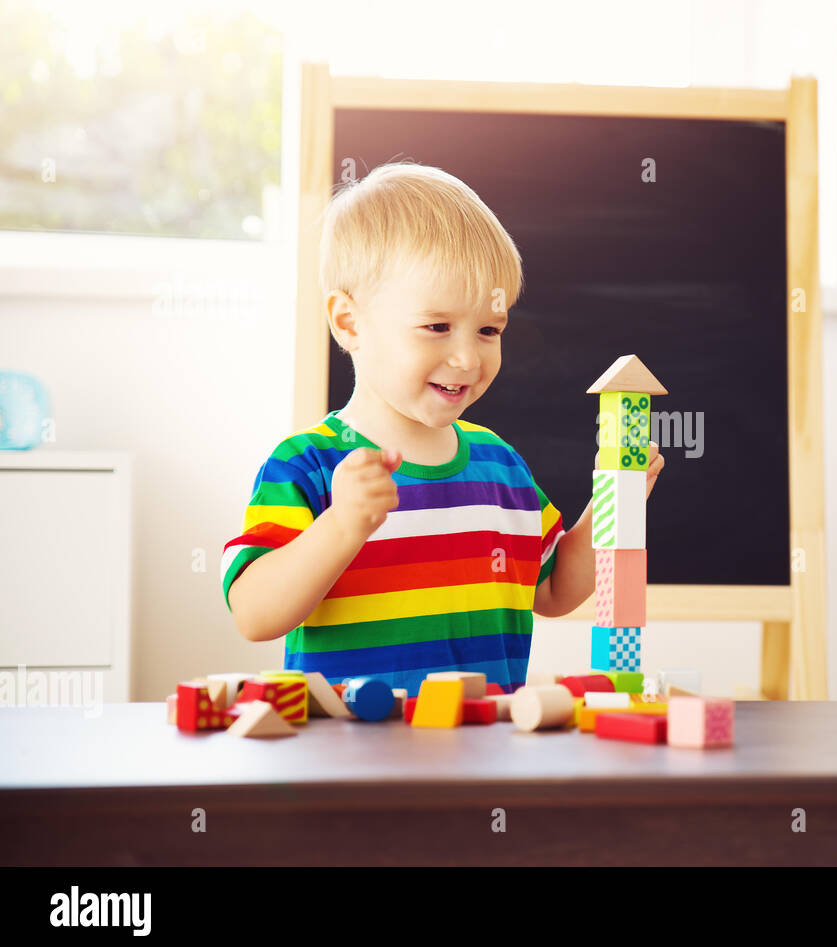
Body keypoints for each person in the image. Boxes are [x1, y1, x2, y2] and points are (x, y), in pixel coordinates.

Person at [221, 163, 664, 695]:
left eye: (488, 330)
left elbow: (553, 590)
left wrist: (616, 504)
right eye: (437, 327)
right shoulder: (307, 463)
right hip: (351, 762)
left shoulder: (497, 463)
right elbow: (253, 614)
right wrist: (341, 525)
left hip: (482, 757)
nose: (465, 357)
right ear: (349, 322)